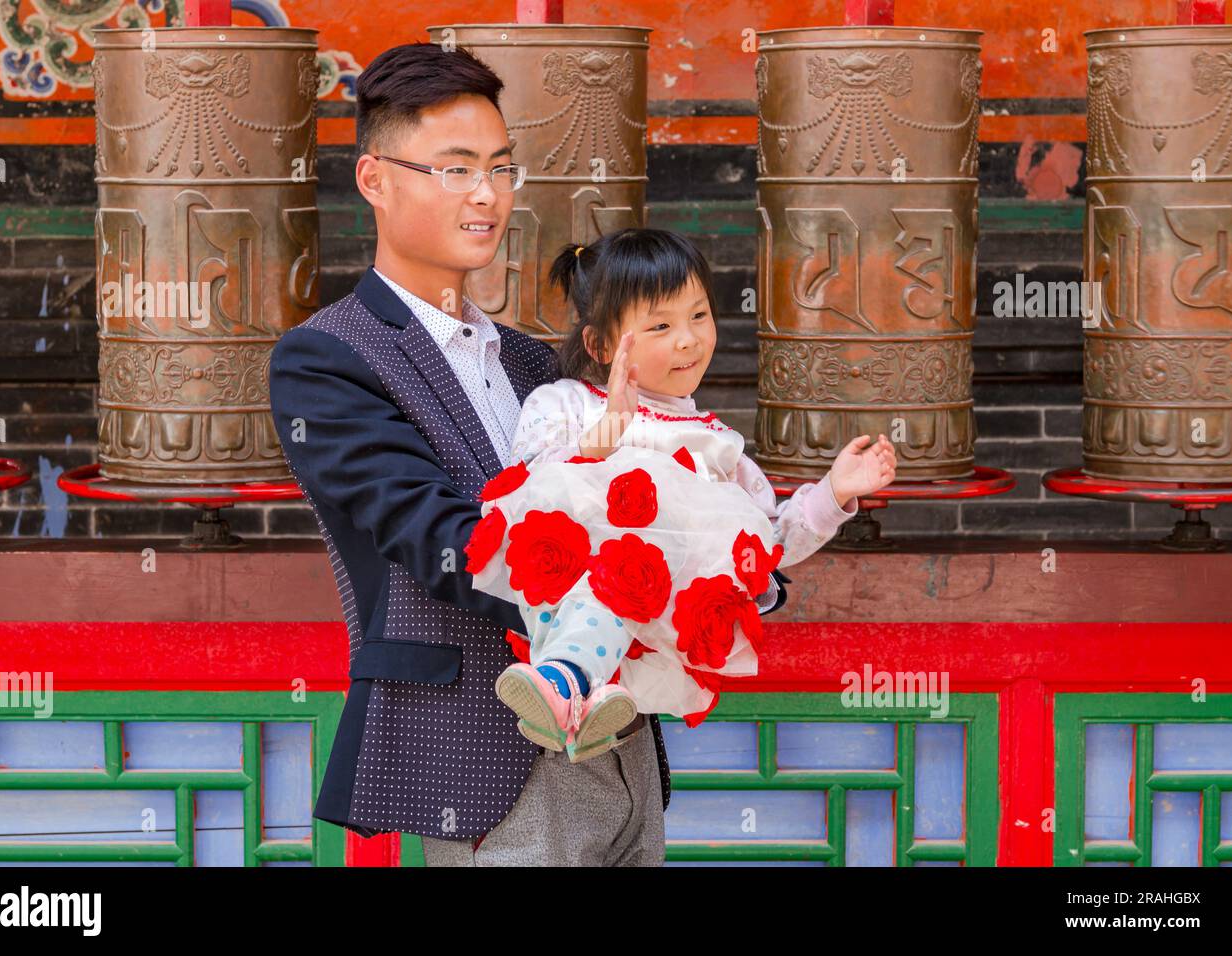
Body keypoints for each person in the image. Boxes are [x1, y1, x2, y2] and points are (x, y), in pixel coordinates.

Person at [268, 43, 794, 866]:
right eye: (454, 168)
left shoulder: (532, 362)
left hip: (623, 734)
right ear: (375, 180)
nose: (486, 194)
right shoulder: (330, 356)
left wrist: (733, 565)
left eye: (501, 167)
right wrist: (653, 586)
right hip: (488, 751)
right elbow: (441, 540)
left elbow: (651, 488)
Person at [465, 228, 897, 762]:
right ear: (600, 344)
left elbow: (765, 542)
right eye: (661, 325)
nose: (688, 339)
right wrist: (606, 436)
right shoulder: (566, 405)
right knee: (621, 568)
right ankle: (567, 682)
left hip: (662, 627)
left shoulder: (716, 443)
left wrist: (834, 493)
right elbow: (532, 486)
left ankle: (585, 704)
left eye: (698, 315)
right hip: (580, 600)